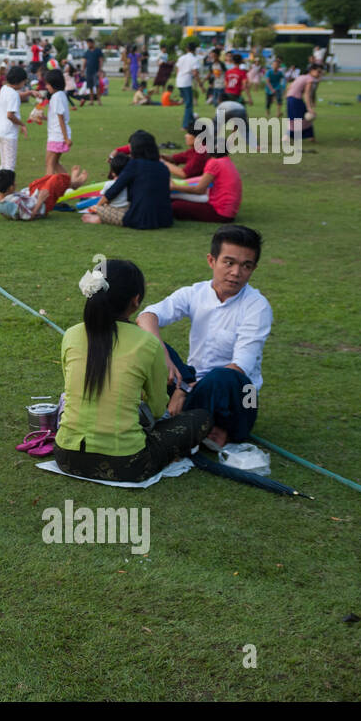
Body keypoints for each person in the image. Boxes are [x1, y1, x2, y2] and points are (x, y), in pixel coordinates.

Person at [54, 260, 213, 483]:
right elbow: (158, 409)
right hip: (127, 464)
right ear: (136, 300)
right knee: (201, 418)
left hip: (66, 456)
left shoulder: (71, 335)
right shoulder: (148, 344)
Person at [137, 225, 271, 447]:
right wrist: (163, 354)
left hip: (240, 399)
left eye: (246, 266)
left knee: (223, 378)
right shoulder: (195, 293)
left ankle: (185, 421)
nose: (236, 273)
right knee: (148, 344)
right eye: (229, 263)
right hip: (194, 385)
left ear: (254, 268)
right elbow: (146, 316)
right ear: (212, 261)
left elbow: (240, 367)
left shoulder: (257, 306)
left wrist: (183, 390)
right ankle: (194, 423)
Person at [84, 130, 173, 229]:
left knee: (101, 210)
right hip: (166, 219)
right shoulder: (163, 167)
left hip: (141, 219)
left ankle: (100, 218)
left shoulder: (135, 164)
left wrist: (97, 208)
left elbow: (115, 189)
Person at [171, 146, 242, 223]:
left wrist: (174, 187)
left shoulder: (214, 163)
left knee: (175, 206)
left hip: (219, 213)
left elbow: (199, 190)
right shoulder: (227, 161)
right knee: (175, 201)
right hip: (228, 212)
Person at [0, 165, 85, 221]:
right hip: (42, 204)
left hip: (31, 195)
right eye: (14, 182)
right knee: (56, 180)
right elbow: (29, 216)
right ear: (10, 187)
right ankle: (74, 184)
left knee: (46, 179)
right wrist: (40, 200)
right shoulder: (15, 202)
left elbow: (3, 211)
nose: (16, 183)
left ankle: (72, 183)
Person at [0, 65, 30, 171]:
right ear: (19, 81)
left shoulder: (5, 88)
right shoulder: (13, 94)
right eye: (24, 82)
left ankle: (1, 187)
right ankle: (6, 187)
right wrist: (22, 124)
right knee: (9, 166)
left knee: (3, 164)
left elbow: (16, 95)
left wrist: (29, 93)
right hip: (8, 134)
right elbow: (10, 115)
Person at [285, 63, 322, 145]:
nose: (320, 74)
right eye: (318, 72)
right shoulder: (310, 79)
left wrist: (287, 95)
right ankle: (290, 138)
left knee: (299, 118)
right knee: (298, 119)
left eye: (321, 72)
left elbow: (289, 86)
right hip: (295, 99)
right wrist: (309, 107)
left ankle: (311, 137)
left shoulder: (302, 76)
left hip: (291, 98)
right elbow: (307, 94)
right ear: (312, 70)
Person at [44, 69, 72, 175]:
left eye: (48, 84)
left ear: (54, 84)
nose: (46, 87)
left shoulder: (57, 97)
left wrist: (65, 138)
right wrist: (44, 118)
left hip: (57, 136)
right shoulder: (60, 95)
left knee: (50, 163)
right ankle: (68, 184)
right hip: (56, 135)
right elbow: (56, 118)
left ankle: (48, 188)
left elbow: (61, 119)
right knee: (54, 163)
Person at [83, 38, 104, 104]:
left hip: (96, 71)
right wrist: (83, 70)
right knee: (90, 87)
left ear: (93, 43)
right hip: (89, 71)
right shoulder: (87, 52)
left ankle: (98, 100)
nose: (88, 45)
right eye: (87, 43)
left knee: (97, 86)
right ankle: (91, 100)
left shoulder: (98, 51)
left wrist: (99, 70)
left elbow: (100, 60)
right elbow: (84, 62)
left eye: (89, 43)